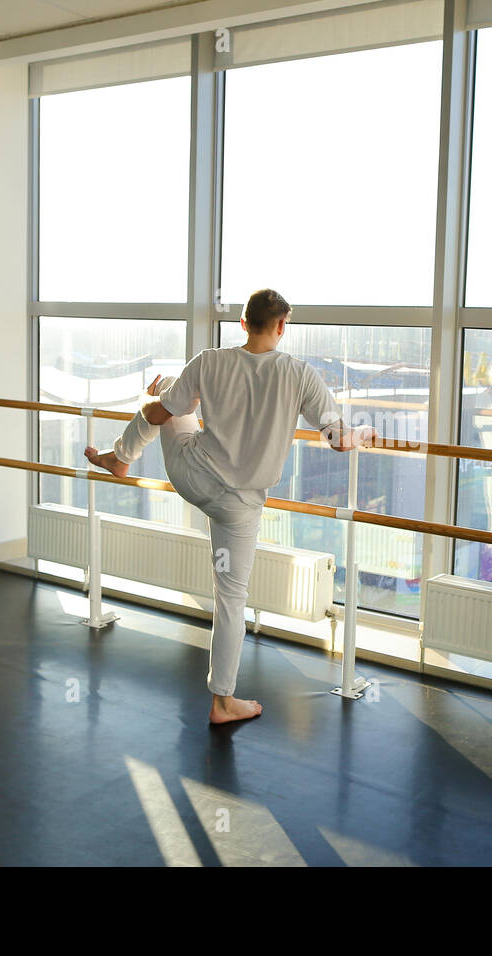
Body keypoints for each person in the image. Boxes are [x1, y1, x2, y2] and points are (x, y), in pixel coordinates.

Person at [84, 289, 375, 725]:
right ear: (282, 326)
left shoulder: (209, 360)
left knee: (166, 393)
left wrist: (150, 400)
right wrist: (366, 432)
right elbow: (337, 441)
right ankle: (222, 702)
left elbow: (162, 415)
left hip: (193, 475)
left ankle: (120, 457)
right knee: (231, 601)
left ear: (242, 324)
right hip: (240, 506)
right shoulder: (299, 373)